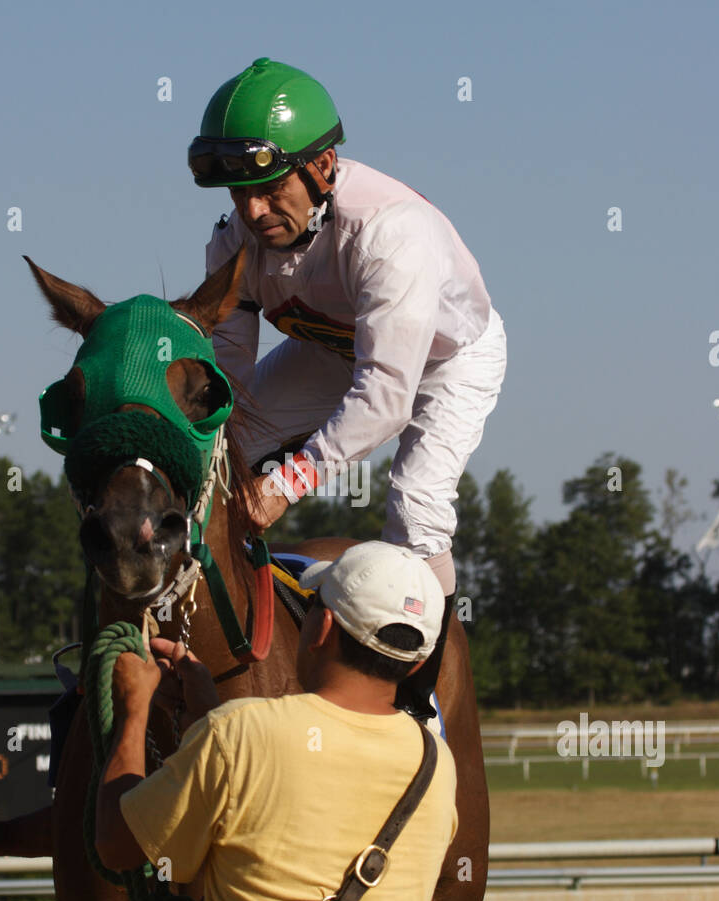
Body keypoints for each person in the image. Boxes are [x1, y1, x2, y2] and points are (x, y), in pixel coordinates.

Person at [95, 541, 458, 901]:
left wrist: (134, 712)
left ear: (320, 628)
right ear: (415, 662)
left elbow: (116, 842)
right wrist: (206, 717)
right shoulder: (435, 761)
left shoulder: (238, 735)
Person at [188, 56, 507, 720]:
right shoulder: (234, 243)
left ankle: (425, 701)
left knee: (416, 512)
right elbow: (228, 385)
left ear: (324, 167)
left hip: (447, 364)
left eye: (271, 188)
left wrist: (281, 485)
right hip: (334, 350)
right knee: (221, 449)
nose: (253, 210)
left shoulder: (393, 236)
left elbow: (386, 400)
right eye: (238, 192)